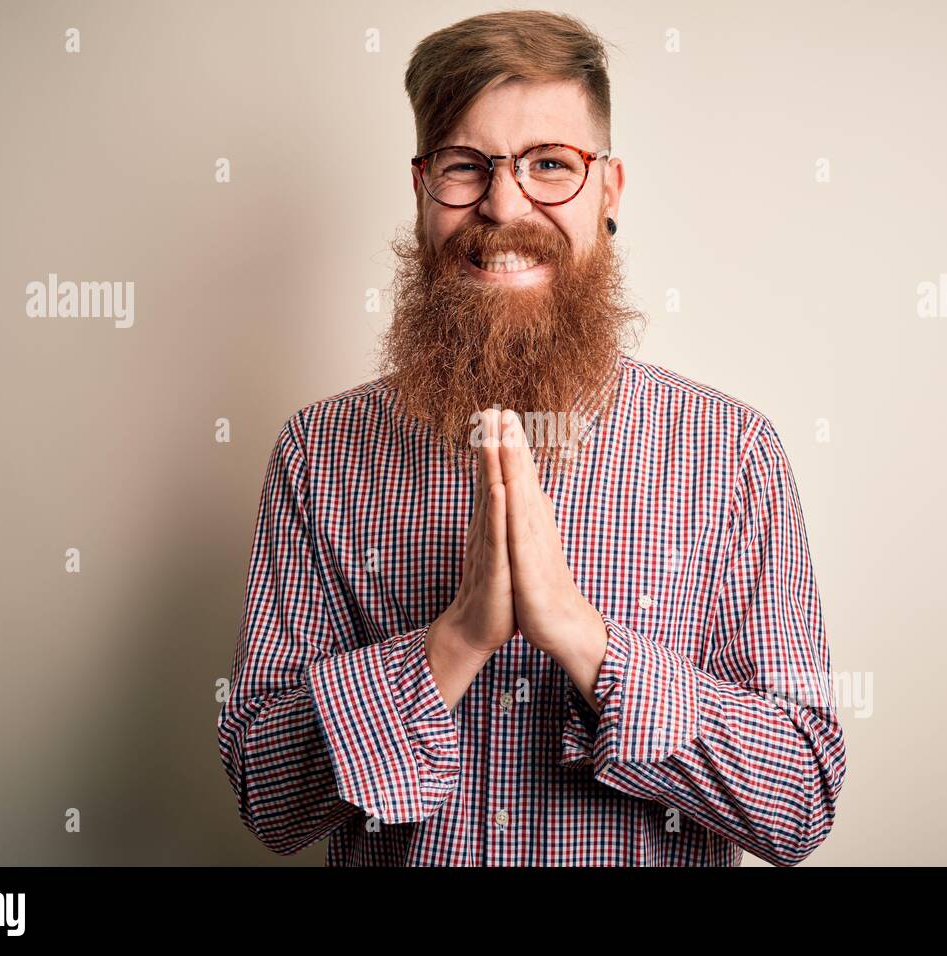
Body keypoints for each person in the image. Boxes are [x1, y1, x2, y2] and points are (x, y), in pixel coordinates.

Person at [218, 9, 847, 866]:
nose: (504, 204)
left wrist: (583, 638)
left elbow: (801, 802)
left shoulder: (730, 454)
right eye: (466, 166)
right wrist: (455, 641)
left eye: (551, 165)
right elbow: (269, 798)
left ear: (610, 191)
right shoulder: (317, 453)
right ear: (420, 188)